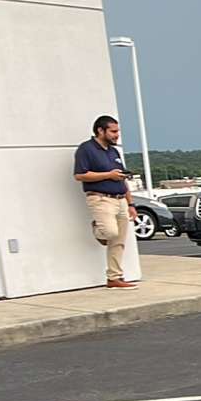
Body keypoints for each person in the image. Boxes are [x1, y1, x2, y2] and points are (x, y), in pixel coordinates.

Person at [72, 115, 138, 288]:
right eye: (113, 131)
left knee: (119, 241)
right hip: (101, 198)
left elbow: (122, 178)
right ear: (101, 130)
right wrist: (108, 175)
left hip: (120, 199)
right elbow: (79, 175)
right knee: (110, 232)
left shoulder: (113, 151)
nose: (117, 135)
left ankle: (114, 277)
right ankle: (98, 229)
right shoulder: (86, 149)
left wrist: (131, 204)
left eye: (118, 131)